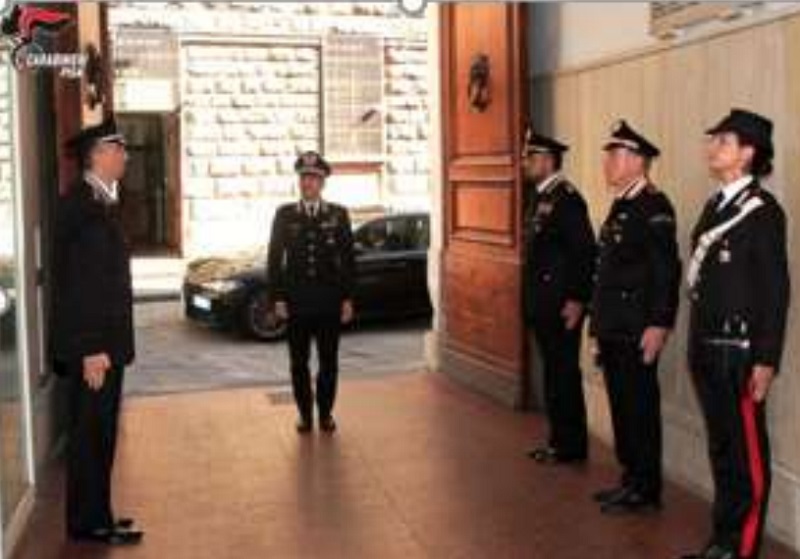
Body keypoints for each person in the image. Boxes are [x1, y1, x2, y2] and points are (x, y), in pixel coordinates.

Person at [682, 109, 790, 559]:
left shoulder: (763, 213)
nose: (713, 148)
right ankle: (721, 543)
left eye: (723, 141)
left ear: (748, 152)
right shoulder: (715, 206)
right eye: (713, 140)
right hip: (708, 346)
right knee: (723, 451)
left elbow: (775, 291)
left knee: (746, 458)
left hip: (741, 353)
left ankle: (741, 549)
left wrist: (766, 359)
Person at [52, 117, 143, 545]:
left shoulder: (101, 201)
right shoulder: (82, 206)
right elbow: (78, 285)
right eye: (118, 149)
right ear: (98, 155)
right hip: (94, 348)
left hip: (107, 344)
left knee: (102, 433)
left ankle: (97, 513)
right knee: (90, 436)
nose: (125, 156)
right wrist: (90, 348)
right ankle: (89, 523)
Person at [589, 120, 681, 514]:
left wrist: (659, 324)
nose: (607, 162)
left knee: (639, 408)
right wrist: (597, 328)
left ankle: (645, 487)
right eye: (609, 155)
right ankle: (630, 479)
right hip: (615, 326)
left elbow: (666, 271)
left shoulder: (654, 206)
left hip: (637, 327)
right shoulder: (622, 204)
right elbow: (606, 272)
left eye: (615, 155)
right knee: (622, 407)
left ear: (637, 161)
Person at [266, 151, 355, 434]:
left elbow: (348, 260)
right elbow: (274, 259)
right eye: (304, 177)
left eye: (313, 178)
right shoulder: (285, 215)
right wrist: (277, 298)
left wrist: (347, 298)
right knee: (298, 364)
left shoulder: (338, 215)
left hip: (329, 303)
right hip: (297, 304)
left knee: (329, 363)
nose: (307, 183)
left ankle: (325, 413)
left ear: (322, 183)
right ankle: (305, 415)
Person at [521, 128, 595, 465]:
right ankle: (559, 441)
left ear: (549, 161)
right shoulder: (540, 196)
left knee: (563, 374)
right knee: (553, 374)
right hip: (543, 303)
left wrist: (577, 299)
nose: (525, 162)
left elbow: (584, 252)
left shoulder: (567, 199)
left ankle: (571, 445)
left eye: (531, 157)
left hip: (561, 305)